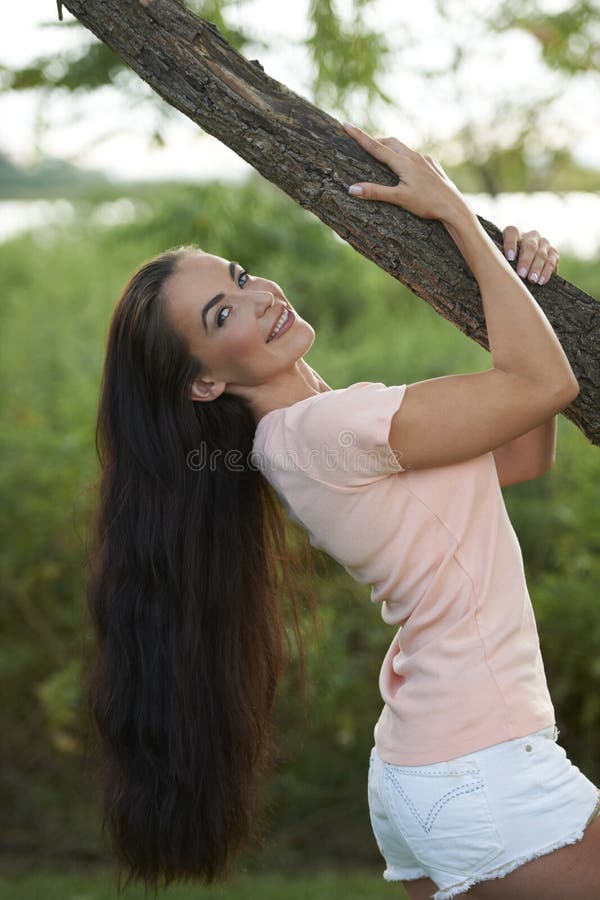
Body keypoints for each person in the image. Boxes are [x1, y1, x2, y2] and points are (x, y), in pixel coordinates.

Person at [85, 123, 600, 899]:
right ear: (203, 384)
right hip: (483, 765)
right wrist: (458, 216)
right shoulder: (327, 432)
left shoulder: (303, 438)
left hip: (430, 769)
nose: (261, 300)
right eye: (222, 316)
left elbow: (523, 452)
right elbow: (544, 386)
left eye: (242, 276)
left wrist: (516, 276)